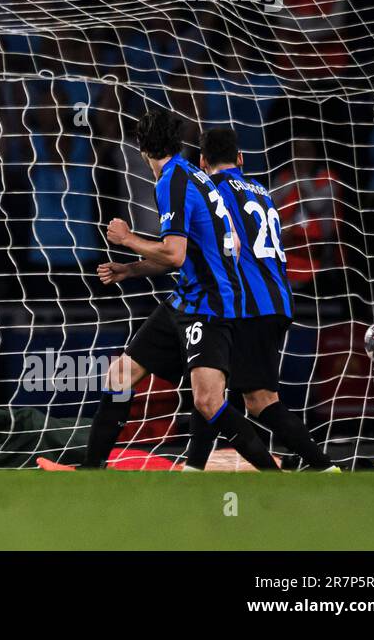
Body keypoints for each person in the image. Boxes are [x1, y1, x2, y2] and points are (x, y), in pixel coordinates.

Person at [83, 108, 277, 471]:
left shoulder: (172, 181)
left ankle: (272, 473)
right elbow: (185, 251)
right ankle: (90, 471)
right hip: (187, 296)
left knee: (208, 402)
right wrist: (131, 269)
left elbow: (174, 254)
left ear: (141, 148)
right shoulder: (191, 174)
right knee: (121, 375)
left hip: (209, 302)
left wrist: (127, 240)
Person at [196, 128, 337, 470]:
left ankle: (323, 467)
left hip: (246, 305)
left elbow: (220, 245)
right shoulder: (263, 190)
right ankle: (194, 467)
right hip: (277, 299)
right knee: (208, 386)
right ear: (240, 159)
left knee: (257, 400)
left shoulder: (212, 191)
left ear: (202, 162)